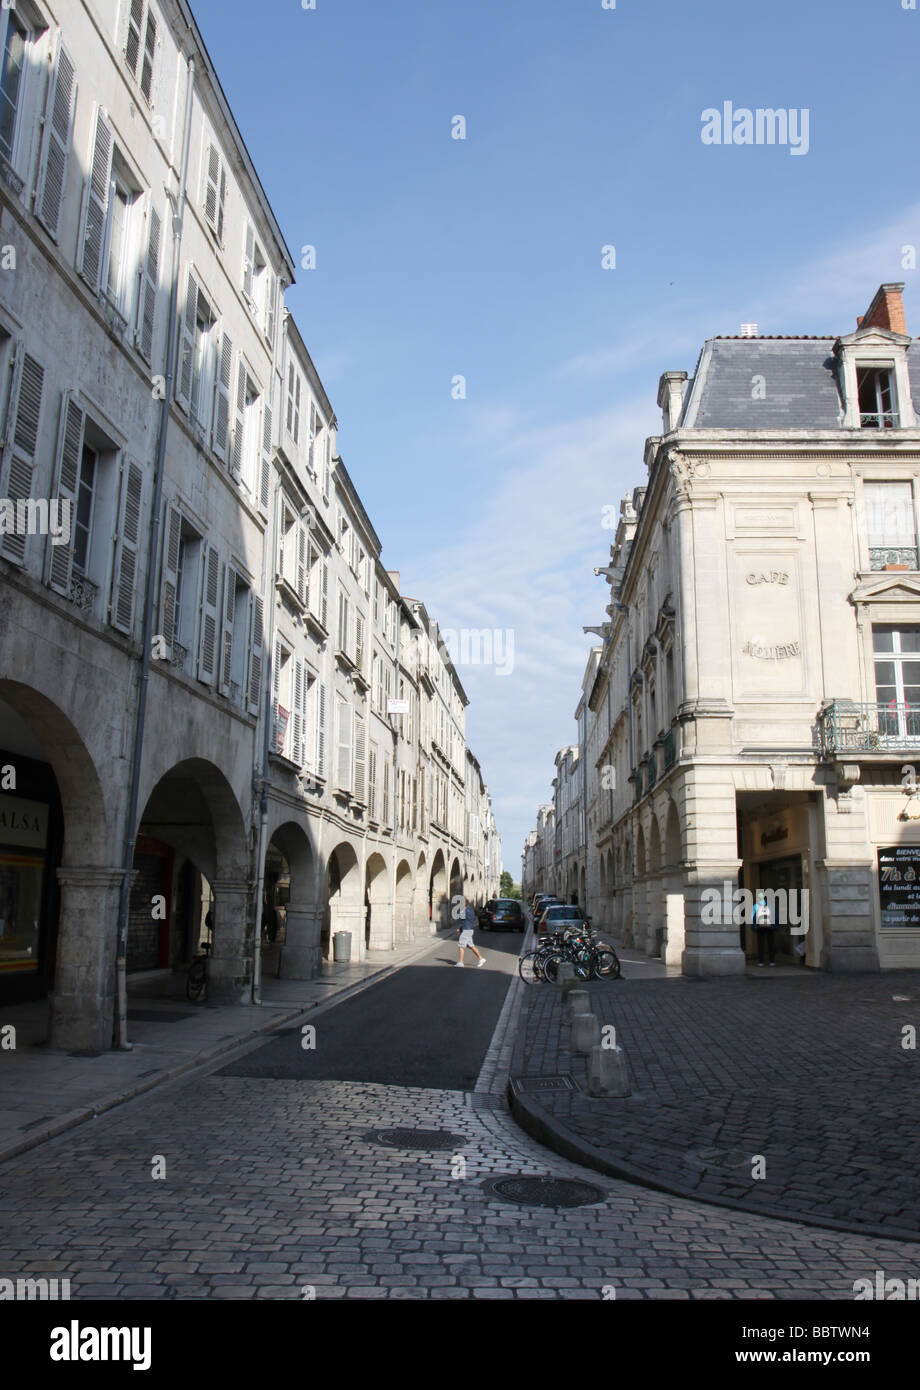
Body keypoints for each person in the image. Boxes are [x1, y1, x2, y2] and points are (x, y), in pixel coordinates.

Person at [455, 897, 486, 968]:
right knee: (471, 946)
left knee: (461, 946)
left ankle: (461, 962)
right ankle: (481, 958)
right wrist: (461, 928)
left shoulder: (465, 910)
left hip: (466, 930)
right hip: (470, 929)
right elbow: (468, 920)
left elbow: (462, 918)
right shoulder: (471, 910)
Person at [752, 890, 776, 966]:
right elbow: (775, 916)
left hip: (760, 928)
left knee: (761, 945)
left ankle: (761, 961)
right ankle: (771, 961)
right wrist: (775, 926)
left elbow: (753, 917)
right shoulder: (771, 906)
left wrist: (754, 927)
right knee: (770, 944)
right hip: (770, 927)